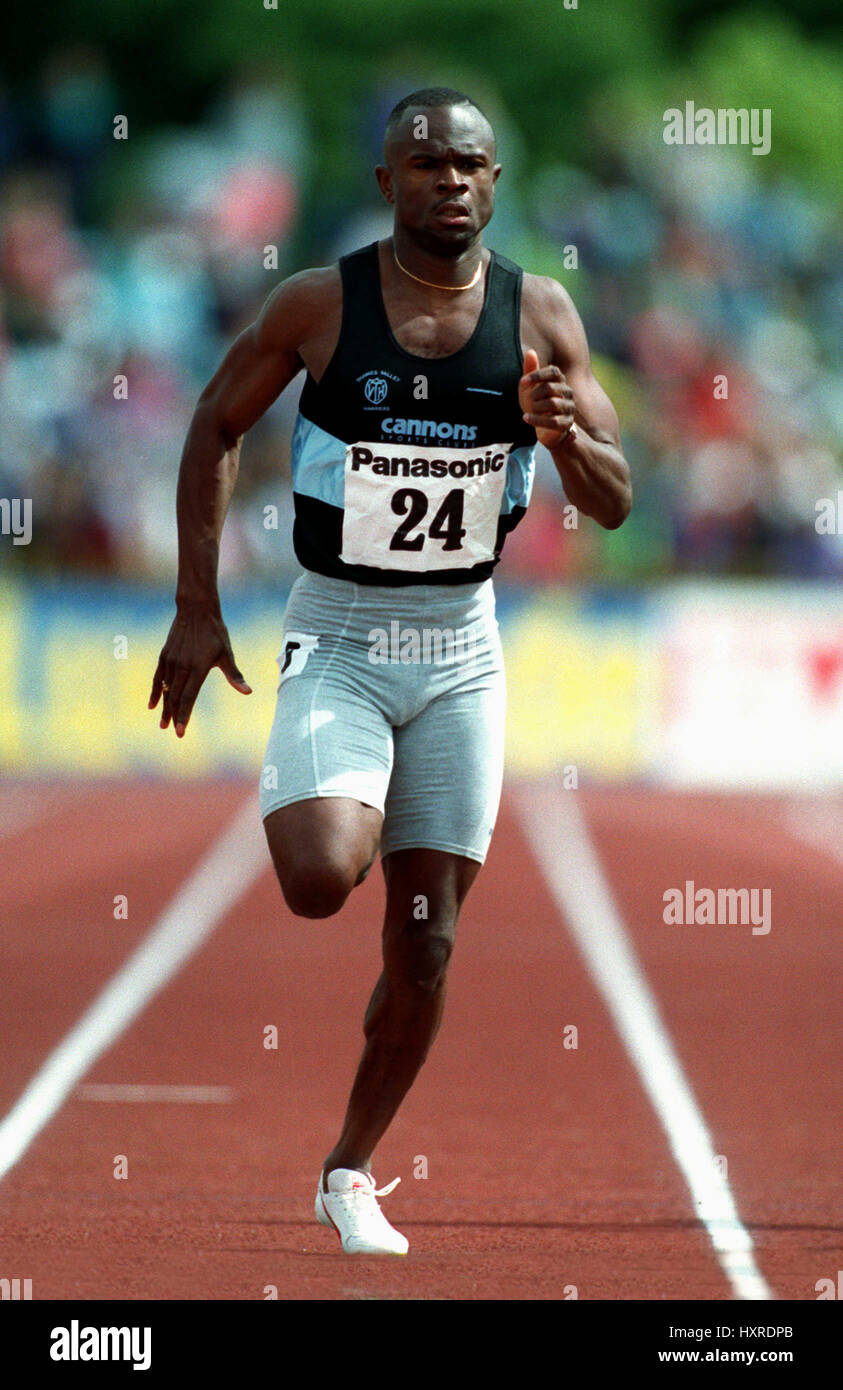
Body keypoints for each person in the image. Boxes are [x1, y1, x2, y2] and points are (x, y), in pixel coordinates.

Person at [149, 86, 631, 1256]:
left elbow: (615, 500)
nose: (450, 182)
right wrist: (196, 607)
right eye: (426, 165)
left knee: (427, 940)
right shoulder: (320, 305)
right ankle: (340, 791)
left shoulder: (543, 313)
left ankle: (350, 1168)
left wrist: (564, 434)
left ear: (496, 182)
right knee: (320, 875)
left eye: (471, 166)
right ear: (387, 183)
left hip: (461, 649)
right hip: (345, 633)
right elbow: (214, 422)